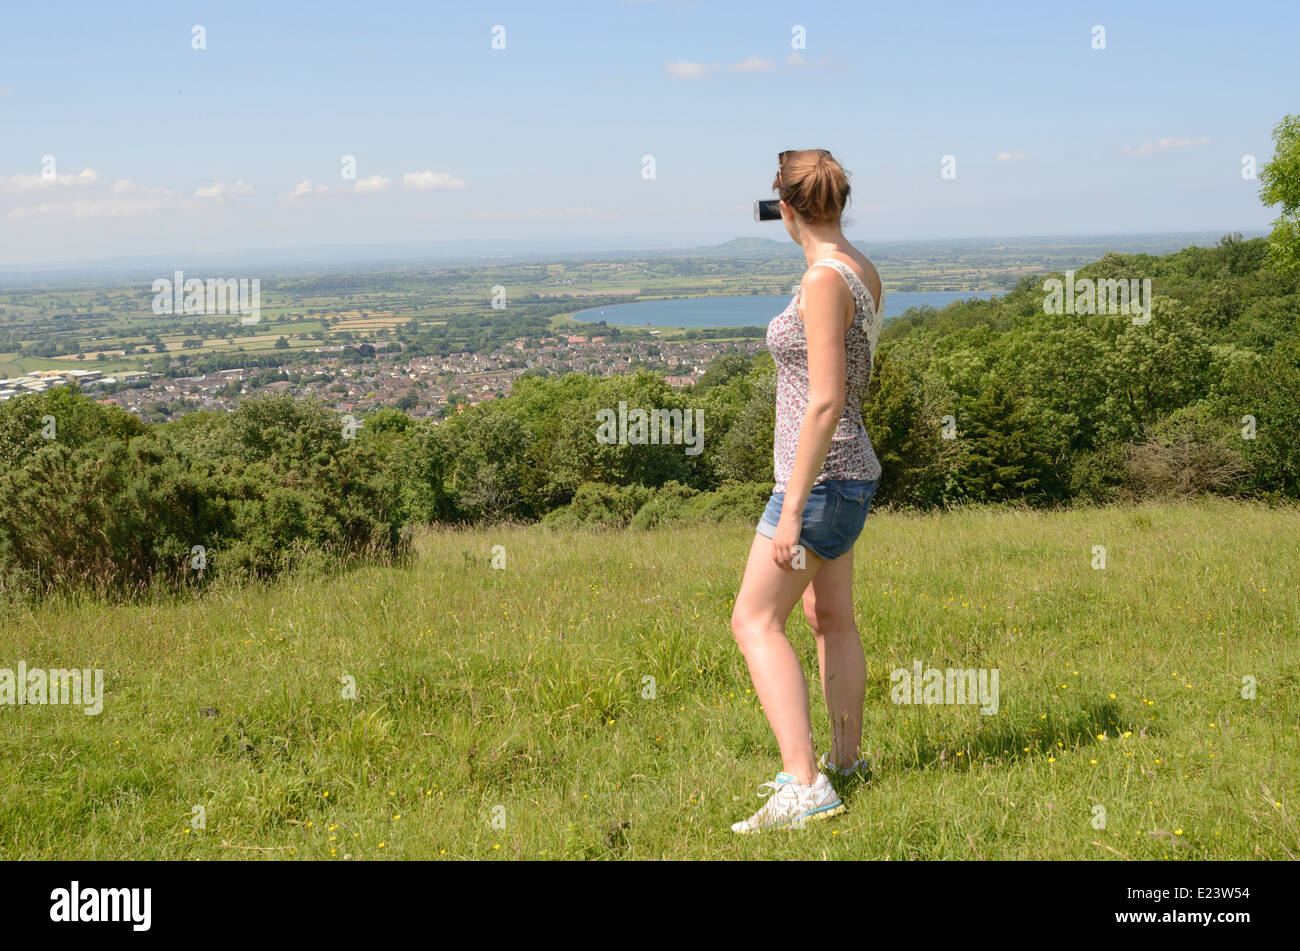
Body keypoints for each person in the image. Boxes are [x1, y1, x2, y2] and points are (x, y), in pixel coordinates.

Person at [730, 149, 885, 833]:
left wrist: (790, 509)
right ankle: (846, 762)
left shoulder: (824, 280)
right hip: (851, 475)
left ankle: (806, 782)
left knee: (754, 621)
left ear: (786, 209)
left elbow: (825, 400)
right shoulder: (858, 266)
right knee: (833, 618)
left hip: (818, 480)